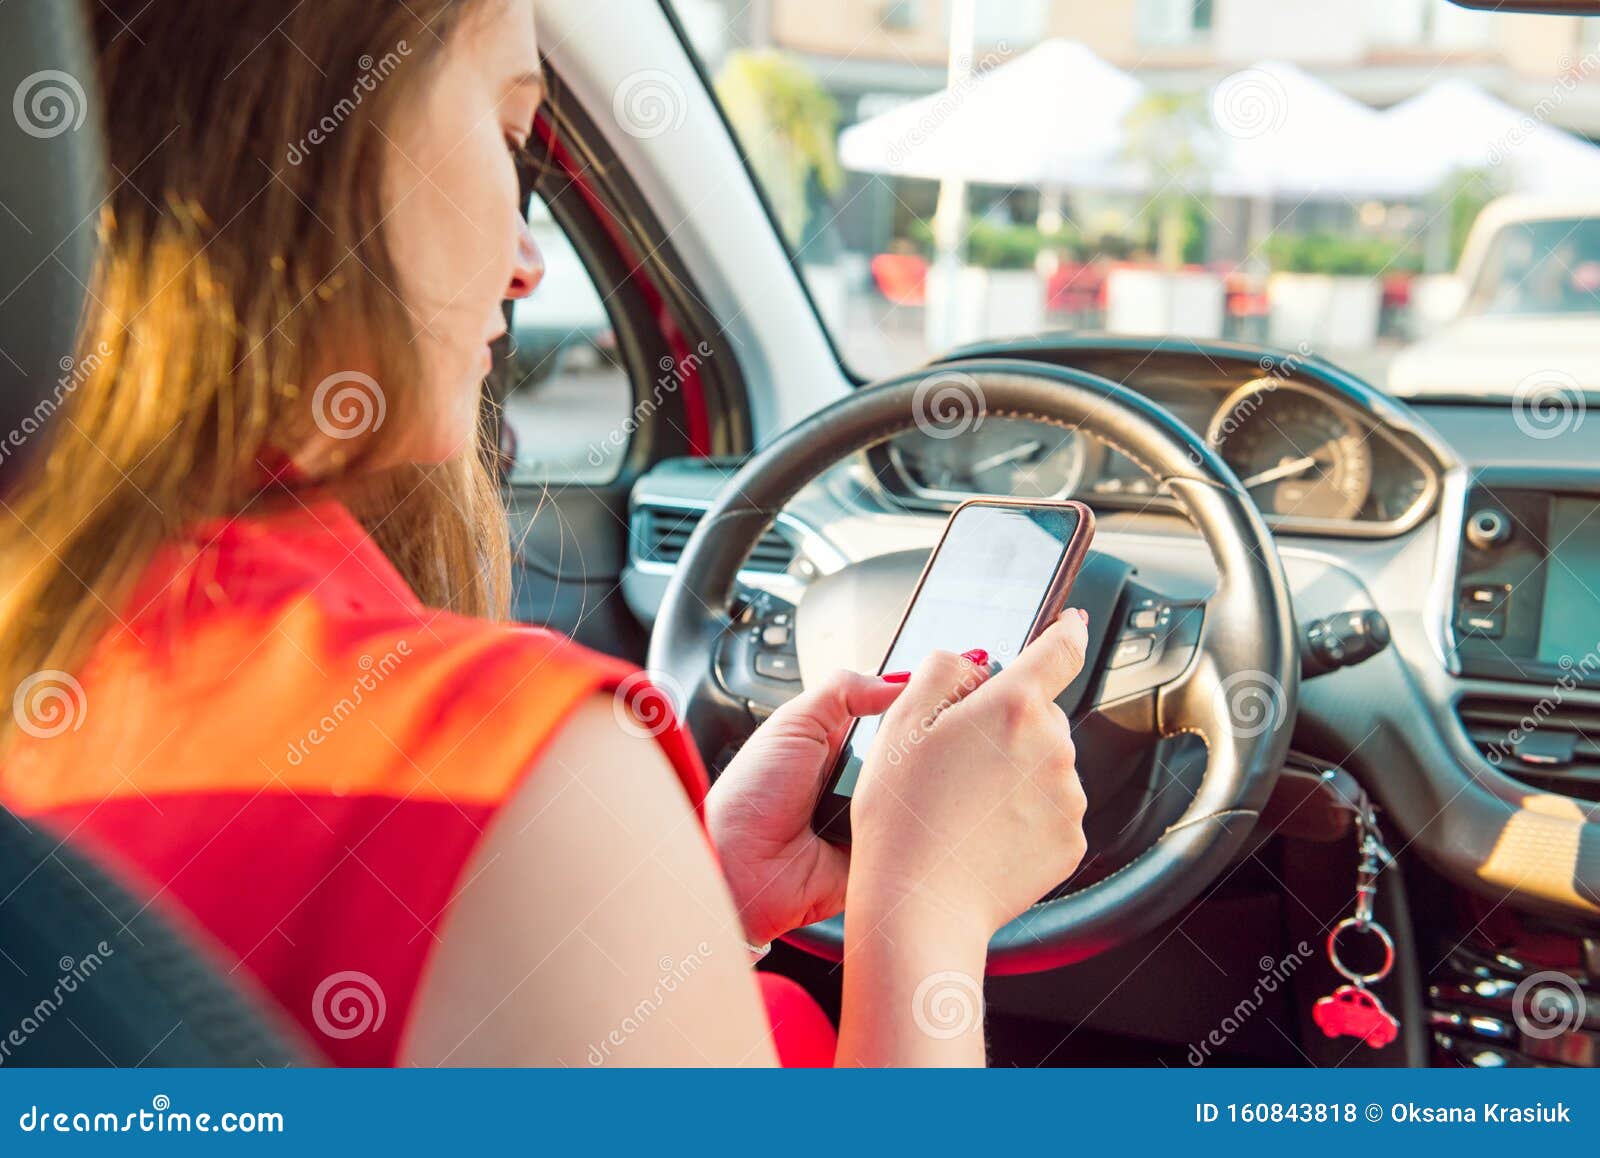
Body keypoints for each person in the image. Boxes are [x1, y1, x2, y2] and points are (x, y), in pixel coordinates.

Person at [0, 0, 1090, 1067]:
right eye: (512, 137)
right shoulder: (497, 763)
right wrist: (927, 915)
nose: (529, 259)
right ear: (303, 141)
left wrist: (681, 895)